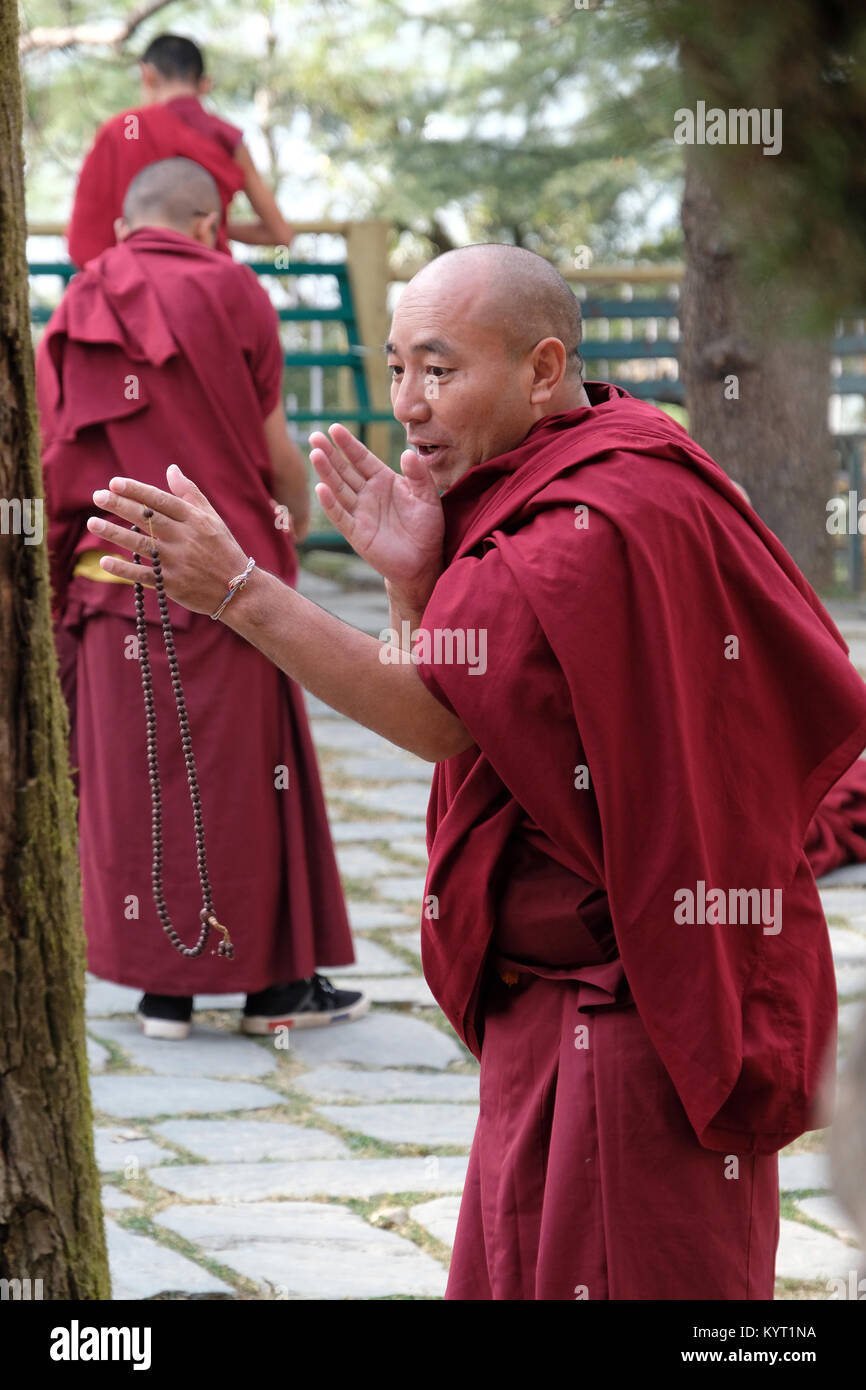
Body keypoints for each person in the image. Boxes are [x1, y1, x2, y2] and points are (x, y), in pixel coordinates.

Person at [85, 243, 866, 1299]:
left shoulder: (579, 525)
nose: (407, 403)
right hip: (561, 999)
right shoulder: (617, 453)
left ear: (543, 370)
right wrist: (415, 583)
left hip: (630, 1014)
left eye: (441, 370)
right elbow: (498, 707)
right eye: (398, 367)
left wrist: (239, 593)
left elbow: (432, 719)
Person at [38, 158, 365, 1040]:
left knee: (143, 777)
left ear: (124, 231)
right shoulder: (235, 289)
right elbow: (274, 451)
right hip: (229, 581)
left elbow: (56, 453)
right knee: (251, 779)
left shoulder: (78, 302)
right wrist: (291, 526)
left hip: (114, 586)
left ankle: (164, 994)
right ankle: (271, 994)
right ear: (212, 226)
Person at [66, 33, 293, 269]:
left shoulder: (122, 130)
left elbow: (84, 243)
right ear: (204, 84)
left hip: (132, 287)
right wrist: (208, 225)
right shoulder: (227, 138)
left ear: (147, 75)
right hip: (208, 286)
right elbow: (280, 235)